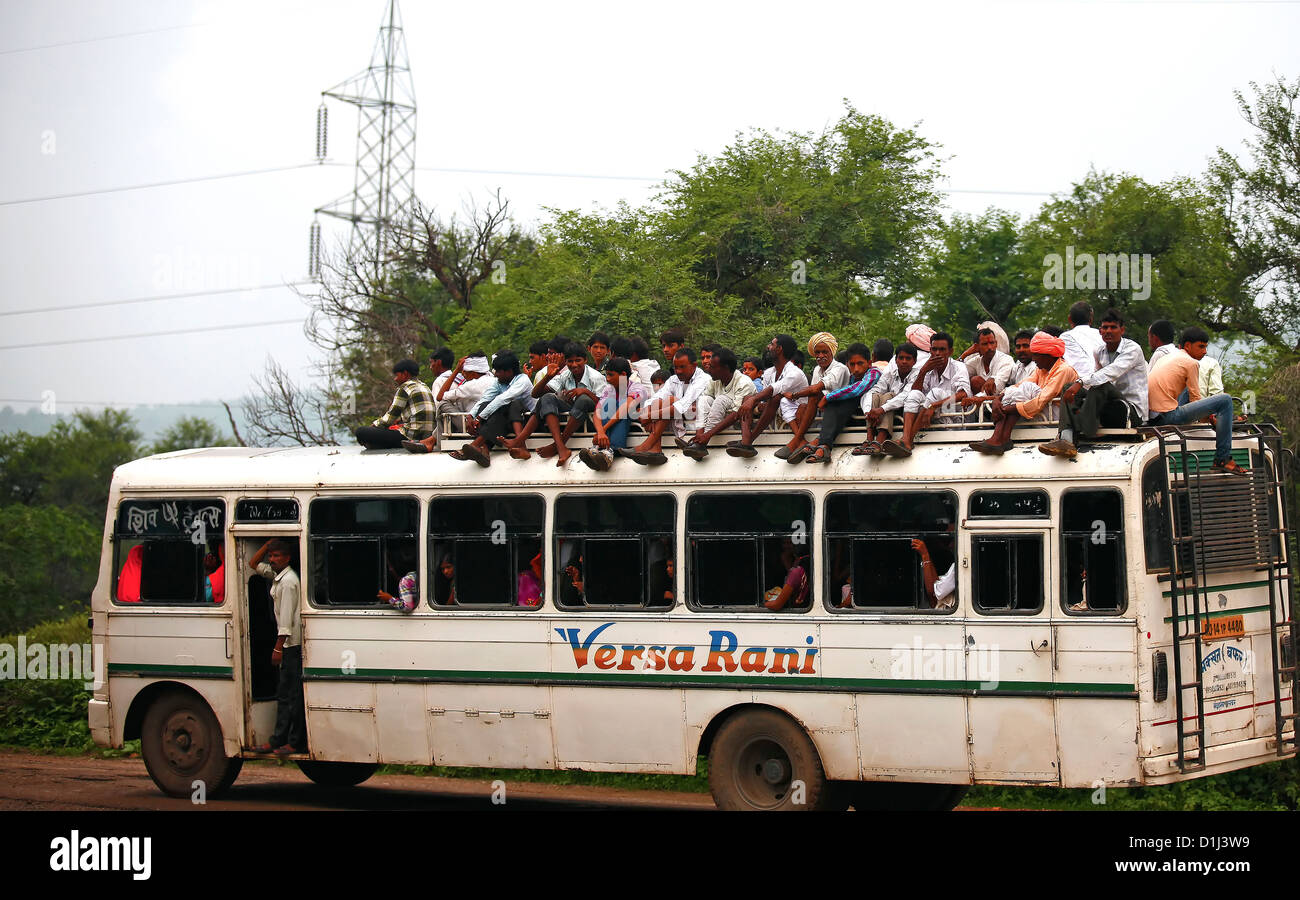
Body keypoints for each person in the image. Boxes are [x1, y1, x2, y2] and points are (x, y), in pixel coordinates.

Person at [1040, 308, 1147, 458]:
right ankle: (1066, 439)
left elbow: (1111, 373)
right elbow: (1094, 377)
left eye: (1113, 327)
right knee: (1069, 387)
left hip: (1130, 411)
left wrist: (1080, 382)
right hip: (1107, 405)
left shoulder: (1132, 349)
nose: (1108, 331)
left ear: (1122, 330)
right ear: (1100, 331)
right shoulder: (1099, 351)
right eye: (1105, 327)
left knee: (1100, 384)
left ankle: (1086, 429)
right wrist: (1075, 387)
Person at [1147, 335, 1245, 475]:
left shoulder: (1167, 357)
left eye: (1206, 347)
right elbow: (1195, 400)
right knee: (1225, 400)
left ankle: (1219, 420)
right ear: (1187, 346)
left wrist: (1209, 418)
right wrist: (1211, 420)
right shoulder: (1191, 363)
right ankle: (1222, 459)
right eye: (1201, 346)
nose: (1205, 351)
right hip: (1167, 416)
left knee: (1187, 388)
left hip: (1152, 415)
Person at [970, 331, 1078, 454]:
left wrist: (1005, 409)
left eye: (1036, 355)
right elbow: (1018, 385)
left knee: (1028, 388)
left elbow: (1040, 401)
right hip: (1042, 413)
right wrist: (997, 399)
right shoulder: (1041, 369)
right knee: (1016, 389)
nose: (1034, 358)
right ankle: (1000, 438)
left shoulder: (1064, 370)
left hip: (1059, 419)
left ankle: (1000, 438)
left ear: (1047, 355)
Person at [504, 341, 604, 466]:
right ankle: (560, 447)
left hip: (590, 422)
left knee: (583, 399)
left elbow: (604, 405)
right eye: (570, 361)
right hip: (571, 418)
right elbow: (535, 394)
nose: (574, 365)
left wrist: (586, 392)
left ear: (585, 360)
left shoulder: (596, 377)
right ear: (566, 362)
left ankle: (556, 445)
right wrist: (548, 376)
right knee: (547, 398)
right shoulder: (566, 375)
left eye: (578, 360)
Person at [251, 538, 306, 754]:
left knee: (291, 695)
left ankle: (291, 741)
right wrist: (266, 545)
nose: (272, 560)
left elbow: (286, 621)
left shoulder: (289, 582)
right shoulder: (277, 576)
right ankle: (278, 739)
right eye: (271, 556)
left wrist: (277, 648)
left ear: (288, 558)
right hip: (287, 644)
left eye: (276, 556)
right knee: (285, 694)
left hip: (291, 645)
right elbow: (253, 564)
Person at [880, 332, 970, 458]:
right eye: (934, 349)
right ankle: (905, 439)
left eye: (942, 349)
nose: (937, 353)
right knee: (914, 394)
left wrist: (933, 406)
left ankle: (908, 441)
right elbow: (916, 392)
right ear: (930, 350)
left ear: (950, 352)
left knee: (935, 392)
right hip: (928, 414)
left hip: (953, 415)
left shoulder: (958, 367)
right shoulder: (927, 367)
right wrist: (923, 371)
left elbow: (963, 394)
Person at [621, 349, 712, 464]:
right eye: (675, 367)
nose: (678, 371)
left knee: (670, 401)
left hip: (696, 426)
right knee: (660, 402)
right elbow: (656, 398)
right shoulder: (674, 379)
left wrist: (649, 416)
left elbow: (682, 406)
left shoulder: (703, 379)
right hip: (675, 421)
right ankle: (655, 449)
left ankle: (648, 445)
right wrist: (647, 413)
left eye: (682, 367)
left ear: (694, 365)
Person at [796, 343, 878, 464]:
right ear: (847, 365)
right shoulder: (852, 377)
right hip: (851, 417)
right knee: (835, 403)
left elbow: (857, 389)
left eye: (860, 363)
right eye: (852, 364)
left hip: (872, 419)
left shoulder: (873, 373)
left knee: (836, 400)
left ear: (869, 363)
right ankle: (823, 445)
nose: (856, 369)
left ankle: (820, 442)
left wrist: (828, 397)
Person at [727, 334, 808, 457]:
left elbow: (773, 390)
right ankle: (746, 441)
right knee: (748, 398)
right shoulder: (769, 372)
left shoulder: (795, 373)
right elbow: (764, 399)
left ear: (779, 349)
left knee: (773, 398)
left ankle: (747, 442)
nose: (768, 347)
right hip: (774, 412)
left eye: (772, 344)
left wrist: (755, 401)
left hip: (794, 415)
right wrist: (754, 402)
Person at [777, 332, 851, 459]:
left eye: (824, 352)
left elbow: (816, 389)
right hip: (820, 407)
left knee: (813, 395)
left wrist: (794, 395)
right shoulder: (817, 369)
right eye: (817, 352)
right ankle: (802, 442)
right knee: (801, 408)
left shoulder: (840, 368)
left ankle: (797, 441)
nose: (820, 356)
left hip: (837, 409)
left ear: (832, 352)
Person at [453, 352, 534, 468]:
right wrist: (471, 416)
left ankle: (478, 444)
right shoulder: (499, 382)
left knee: (508, 405)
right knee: (485, 405)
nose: (495, 375)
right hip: (505, 421)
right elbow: (485, 398)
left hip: (526, 423)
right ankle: (484, 451)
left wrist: (480, 418)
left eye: (498, 372)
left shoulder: (523, 380)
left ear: (509, 371)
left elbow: (502, 399)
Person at [681, 348, 756, 459]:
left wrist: (708, 435)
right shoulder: (714, 379)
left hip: (737, 424)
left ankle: (700, 444)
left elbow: (736, 414)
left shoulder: (744, 383)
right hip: (717, 423)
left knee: (720, 399)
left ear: (725, 368)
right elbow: (705, 402)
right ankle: (699, 439)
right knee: (704, 399)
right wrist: (701, 434)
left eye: (712, 367)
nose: (709, 369)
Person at [579, 357, 649, 471]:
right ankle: (601, 448)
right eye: (606, 375)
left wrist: (604, 429)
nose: (607, 379)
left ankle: (610, 450)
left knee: (622, 406)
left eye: (611, 375)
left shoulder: (637, 388)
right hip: (611, 425)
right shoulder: (609, 389)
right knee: (608, 405)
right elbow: (598, 412)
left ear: (623, 374)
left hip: (632, 424)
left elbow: (625, 408)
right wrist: (600, 432)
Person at [856, 342, 920, 456]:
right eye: (901, 358)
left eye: (908, 358)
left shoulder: (916, 375)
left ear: (914, 361)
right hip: (882, 414)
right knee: (874, 395)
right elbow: (873, 391)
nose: (904, 361)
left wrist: (881, 409)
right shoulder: (890, 373)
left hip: (905, 412)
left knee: (889, 396)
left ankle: (880, 440)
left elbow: (905, 396)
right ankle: (869, 438)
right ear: (896, 360)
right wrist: (868, 412)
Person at [355, 359, 435, 449]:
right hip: (428, 435)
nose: (395, 379)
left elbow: (390, 417)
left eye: (397, 375)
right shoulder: (424, 386)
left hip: (411, 436)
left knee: (361, 432)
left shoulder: (405, 387)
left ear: (405, 374)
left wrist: (373, 426)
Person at [959, 327, 1015, 414]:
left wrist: (975, 399)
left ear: (996, 344)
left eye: (992, 343)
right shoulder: (976, 361)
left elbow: (998, 387)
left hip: (1003, 404)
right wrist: (965, 354)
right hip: (981, 406)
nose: (990, 347)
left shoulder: (1006, 360)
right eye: (985, 344)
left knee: (977, 381)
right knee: (973, 381)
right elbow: (955, 374)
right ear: (977, 347)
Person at [1061, 301, 1105, 379]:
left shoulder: (1065, 337)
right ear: (1091, 319)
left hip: (1083, 385)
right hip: (1108, 383)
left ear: (1069, 319)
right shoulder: (1102, 335)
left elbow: (1081, 369)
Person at [764, 539, 810, 611]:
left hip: (798, 612)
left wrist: (762, 605)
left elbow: (777, 605)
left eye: (790, 544)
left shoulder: (796, 572)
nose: (787, 547)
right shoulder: (810, 568)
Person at [911, 538, 955, 610]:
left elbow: (934, 592)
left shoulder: (958, 565)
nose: (950, 546)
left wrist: (925, 555)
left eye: (952, 540)